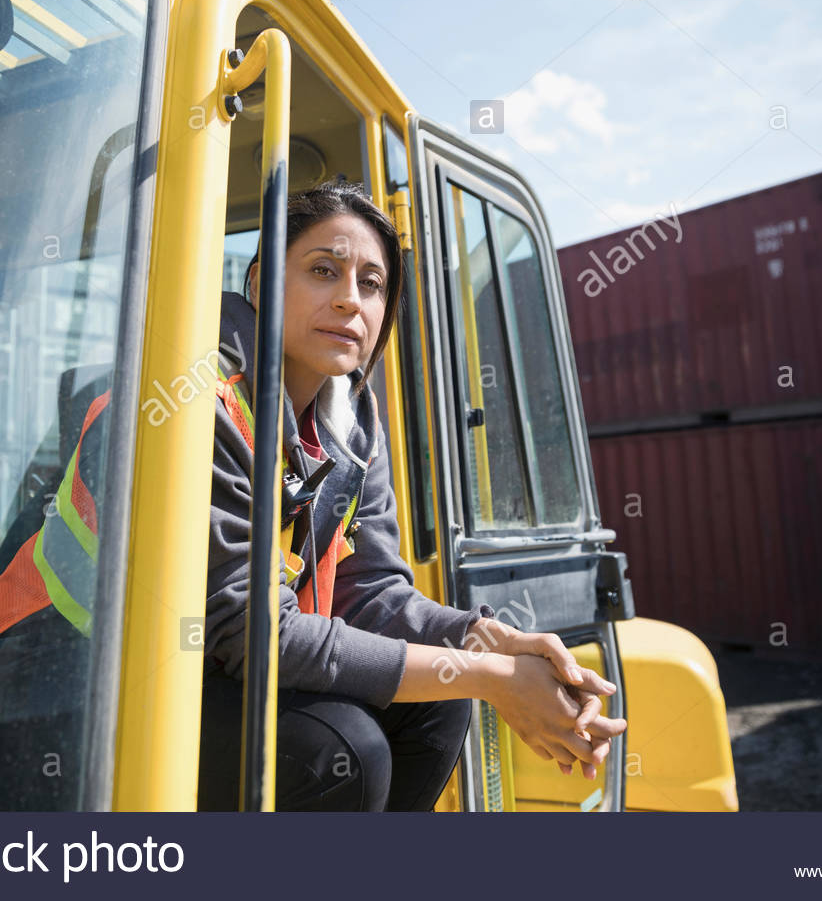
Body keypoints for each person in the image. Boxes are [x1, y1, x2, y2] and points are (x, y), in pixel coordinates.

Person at [197, 180, 627, 811]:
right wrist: (497, 680)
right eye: (324, 271)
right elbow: (248, 630)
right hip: (78, 685)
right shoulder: (207, 398)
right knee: (342, 751)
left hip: (210, 670)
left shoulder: (350, 423)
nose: (350, 300)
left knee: (440, 704)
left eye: (371, 285)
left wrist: (496, 644)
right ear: (261, 285)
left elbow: (371, 593)